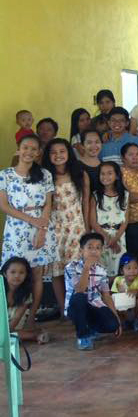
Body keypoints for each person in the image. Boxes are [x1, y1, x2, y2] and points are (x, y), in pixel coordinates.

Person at [1, 134, 56, 326]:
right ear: (18, 149)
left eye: (34, 149)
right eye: (25, 147)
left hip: (40, 227)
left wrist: (42, 230)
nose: (29, 152)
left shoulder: (45, 175)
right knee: (12, 273)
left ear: (39, 153)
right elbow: (4, 206)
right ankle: (9, 320)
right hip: (15, 229)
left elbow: (48, 205)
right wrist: (31, 220)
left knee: (36, 275)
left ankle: (32, 317)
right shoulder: (5, 175)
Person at [42, 137, 89, 315]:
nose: (58, 155)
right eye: (53, 152)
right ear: (48, 155)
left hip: (77, 229)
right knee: (57, 272)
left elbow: (86, 203)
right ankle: (64, 309)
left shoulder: (79, 173)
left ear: (69, 153)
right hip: (55, 230)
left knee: (77, 269)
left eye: (62, 151)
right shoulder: (45, 176)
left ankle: (80, 307)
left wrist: (87, 229)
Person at [64, 232, 121, 350]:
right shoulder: (71, 267)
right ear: (81, 251)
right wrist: (86, 268)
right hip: (76, 306)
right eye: (90, 247)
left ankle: (90, 329)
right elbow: (80, 290)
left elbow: (106, 295)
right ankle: (82, 336)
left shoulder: (102, 270)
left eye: (98, 248)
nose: (94, 251)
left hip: (94, 305)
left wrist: (117, 318)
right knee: (79, 298)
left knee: (112, 325)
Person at [112, 255, 138, 331]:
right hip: (122, 307)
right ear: (122, 270)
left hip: (134, 307)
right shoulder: (118, 280)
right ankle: (122, 321)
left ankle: (136, 320)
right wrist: (120, 292)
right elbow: (114, 295)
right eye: (128, 268)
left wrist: (136, 291)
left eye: (135, 268)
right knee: (114, 303)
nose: (132, 271)